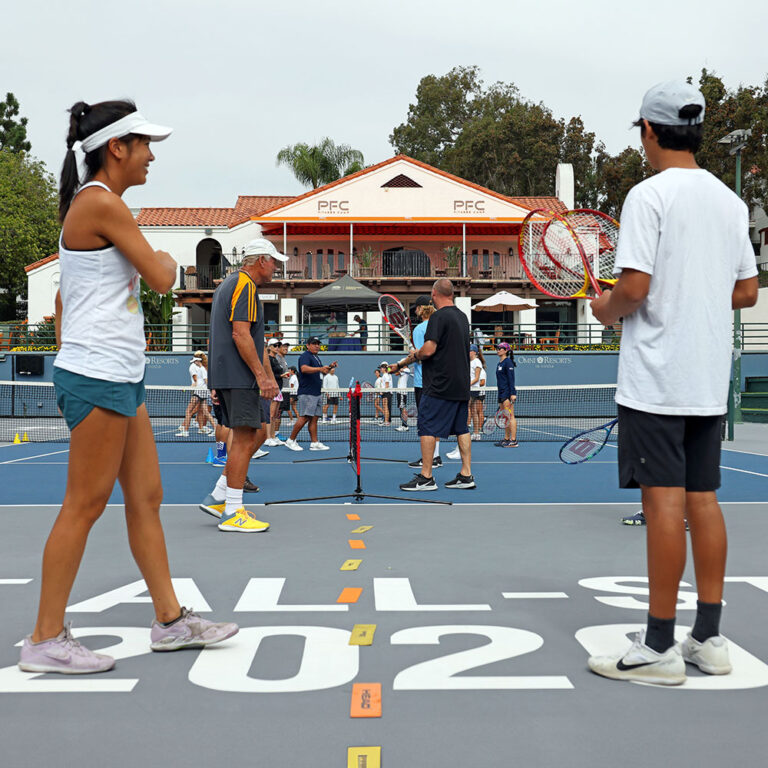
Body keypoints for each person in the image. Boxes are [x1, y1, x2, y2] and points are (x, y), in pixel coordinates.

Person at [19, 100, 238, 676]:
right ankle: (44, 639)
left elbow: (67, 297)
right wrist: (163, 256)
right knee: (84, 504)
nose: (151, 157)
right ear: (116, 148)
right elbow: (163, 277)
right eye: (144, 146)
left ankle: (169, 621)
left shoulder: (98, 206)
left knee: (146, 497)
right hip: (98, 376)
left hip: (119, 374)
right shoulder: (100, 204)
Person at [586, 80, 758, 685]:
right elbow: (747, 291)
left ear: (650, 130)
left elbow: (632, 290)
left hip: (657, 379)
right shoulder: (730, 203)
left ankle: (659, 646)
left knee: (662, 504)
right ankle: (708, 638)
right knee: (702, 501)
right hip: (707, 379)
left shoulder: (648, 195)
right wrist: (693, 292)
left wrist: (603, 310)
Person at [198, 237, 287, 531]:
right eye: (274, 262)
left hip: (230, 376)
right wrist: (261, 377)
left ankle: (219, 496)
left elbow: (245, 338)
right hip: (240, 377)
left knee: (255, 432)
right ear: (261, 260)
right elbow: (240, 334)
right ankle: (233, 512)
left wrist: (268, 378)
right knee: (245, 439)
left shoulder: (229, 284)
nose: (276, 268)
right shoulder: (245, 286)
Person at [390, 279, 475, 490]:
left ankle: (426, 477)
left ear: (434, 294)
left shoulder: (438, 317)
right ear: (452, 294)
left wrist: (414, 355)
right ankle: (466, 474)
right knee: (461, 428)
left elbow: (428, 350)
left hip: (439, 385)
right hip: (461, 384)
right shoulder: (462, 317)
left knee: (427, 427)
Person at [405, 296, 442, 470]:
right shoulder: (440, 326)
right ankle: (436, 456)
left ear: (421, 309)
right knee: (435, 420)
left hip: (423, 382)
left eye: (416, 308)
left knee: (426, 422)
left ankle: (430, 459)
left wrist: (411, 356)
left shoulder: (419, 329)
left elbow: (422, 356)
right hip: (440, 380)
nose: (415, 311)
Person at [285, 337, 335, 451]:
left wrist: (329, 367)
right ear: (307, 345)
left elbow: (321, 371)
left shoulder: (316, 357)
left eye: (318, 344)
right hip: (307, 392)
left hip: (316, 392)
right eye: (314, 343)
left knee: (314, 419)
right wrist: (320, 368)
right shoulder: (305, 356)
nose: (317, 346)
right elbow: (304, 369)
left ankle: (314, 443)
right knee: (304, 417)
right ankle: (291, 440)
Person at [448, 344, 485, 458]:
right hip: (469, 389)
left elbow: (477, 378)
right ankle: (476, 433)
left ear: (474, 352)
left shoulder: (477, 362)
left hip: (473, 390)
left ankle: (467, 435)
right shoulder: (469, 362)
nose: (467, 353)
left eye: (469, 351)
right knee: (472, 411)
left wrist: (466, 385)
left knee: (465, 410)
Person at [176, 351, 213, 437]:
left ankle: (188, 428)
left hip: (200, 391)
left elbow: (200, 380)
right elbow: (196, 380)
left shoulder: (202, 367)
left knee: (195, 410)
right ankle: (191, 427)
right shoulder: (194, 367)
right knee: (198, 410)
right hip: (199, 390)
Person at [265, 338, 290, 446]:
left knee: (275, 415)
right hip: (272, 389)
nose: (277, 347)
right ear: (269, 347)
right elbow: (268, 374)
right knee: (270, 415)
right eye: (275, 345)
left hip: (278, 389)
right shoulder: (268, 359)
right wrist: (281, 375)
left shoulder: (276, 359)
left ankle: (273, 436)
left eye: (278, 346)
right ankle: (268, 438)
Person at [495, 342, 518, 447]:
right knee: (505, 417)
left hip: (507, 393)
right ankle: (506, 438)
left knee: (510, 416)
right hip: (501, 393)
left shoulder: (508, 362)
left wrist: (512, 393)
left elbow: (511, 379)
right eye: (497, 348)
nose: (498, 350)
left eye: (500, 348)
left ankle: (513, 440)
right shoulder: (500, 363)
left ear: (506, 350)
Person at [395, 365, 411, 432]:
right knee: (401, 408)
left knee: (403, 409)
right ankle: (403, 425)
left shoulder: (407, 370)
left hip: (402, 392)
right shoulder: (403, 371)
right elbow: (396, 374)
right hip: (399, 392)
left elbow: (397, 373)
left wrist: (400, 369)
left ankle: (405, 425)